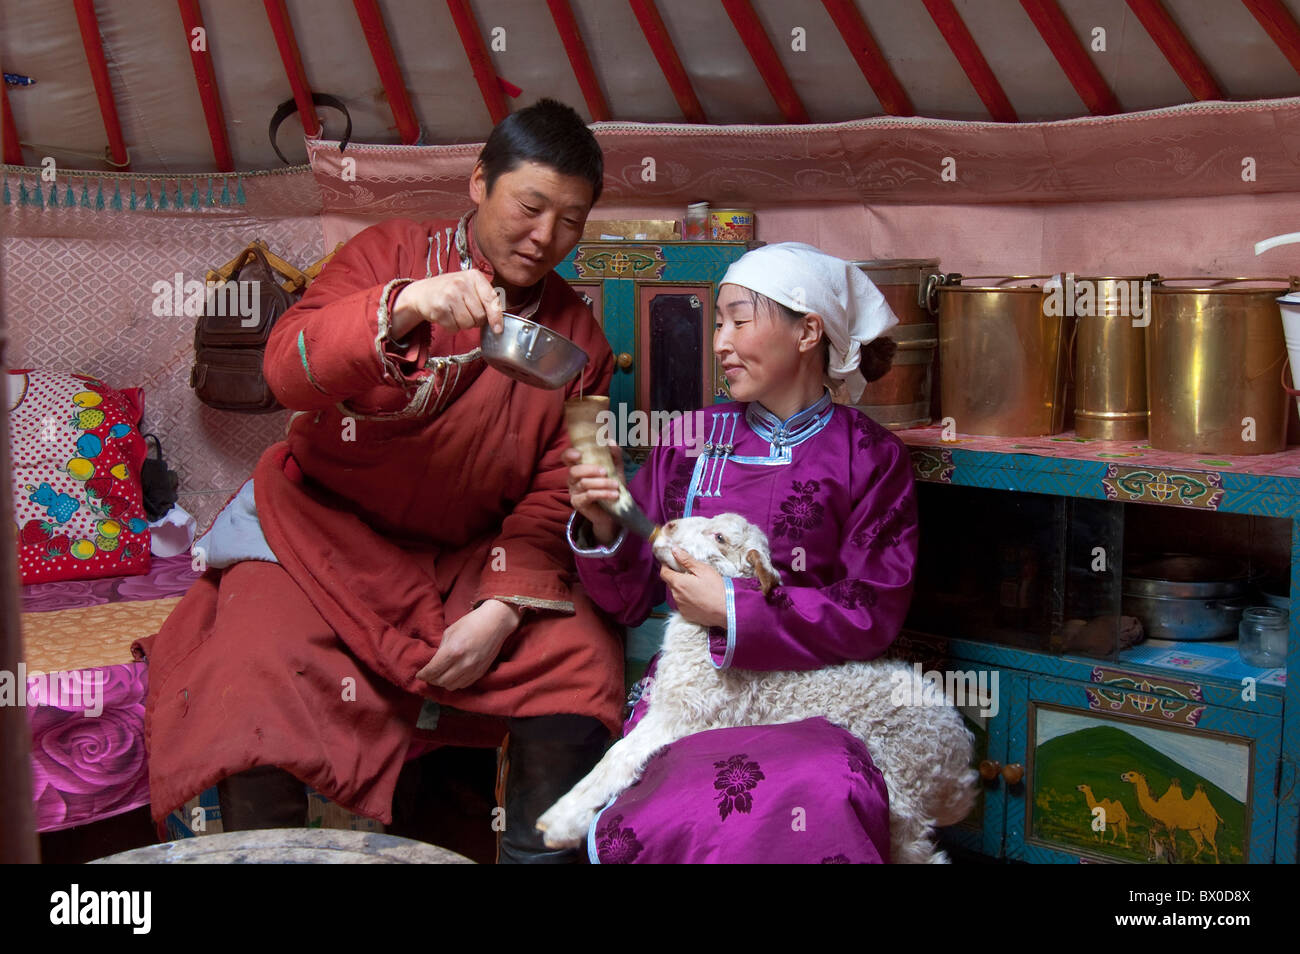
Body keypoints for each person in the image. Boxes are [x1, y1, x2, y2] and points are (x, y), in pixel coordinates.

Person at [133, 99, 624, 863]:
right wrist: (400, 309)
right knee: (251, 669)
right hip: (316, 535)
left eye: (571, 220)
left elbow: (562, 487)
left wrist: (501, 607)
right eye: (530, 207)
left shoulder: (579, 341)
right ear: (478, 183)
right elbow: (285, 369)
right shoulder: (382, 254)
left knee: (581, 658)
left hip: (467, 559)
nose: (545, 237)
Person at [564, 242, 918, 863]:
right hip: (692, 701)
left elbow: (871, 612)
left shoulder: (870, 457)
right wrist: (601, 522)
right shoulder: (691, 439)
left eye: (738, 320)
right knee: (684, 804)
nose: (720, 342)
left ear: (808, 330)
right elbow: (627, 597)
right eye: (716, 323)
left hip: (816, 703)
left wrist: (732, 606)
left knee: (827, 789)